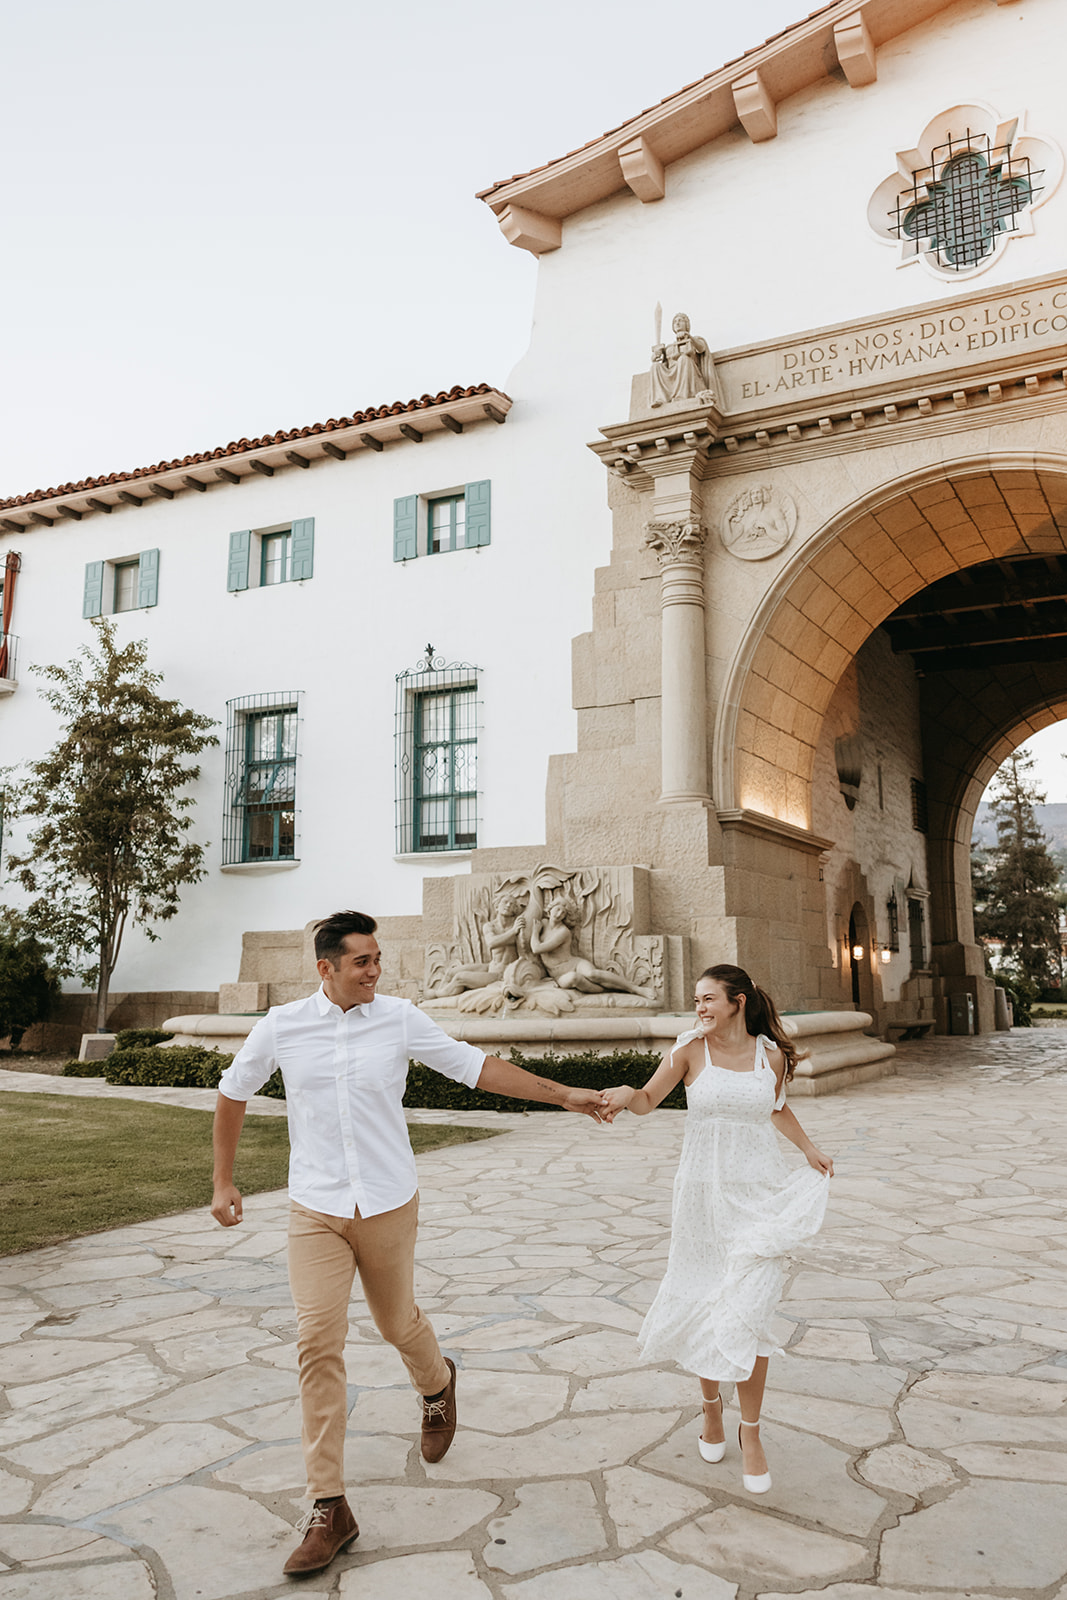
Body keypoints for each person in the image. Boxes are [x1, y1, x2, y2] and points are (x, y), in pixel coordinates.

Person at [210, 909, 608, 1578]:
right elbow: (231, 1092)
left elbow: (473, 1068)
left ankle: (436, 1382)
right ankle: (328, 1505)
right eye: (362, 961)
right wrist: (223, 1180)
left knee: (397, 1323)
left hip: (389, 1202)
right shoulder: (283, 1026)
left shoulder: (396, 1017)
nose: (375, 969)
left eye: (376, 958)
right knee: (316, 1342)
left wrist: (564, 1095)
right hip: (316, 1208)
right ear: (325, 968)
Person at [600, 964, 832, 1494]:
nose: (699, 1007)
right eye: (696, 1000)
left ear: (738, 1000)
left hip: (758, 1195)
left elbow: (776, 1108)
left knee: (748, 1312)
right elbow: (647, 1101)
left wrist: (810, 1150)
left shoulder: (769, 1055)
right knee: (705, 1300)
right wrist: (624, 1092)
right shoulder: (688, 1051)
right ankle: (710, 1410)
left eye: (707, 999)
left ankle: (751, 1433)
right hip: (703, 1200)